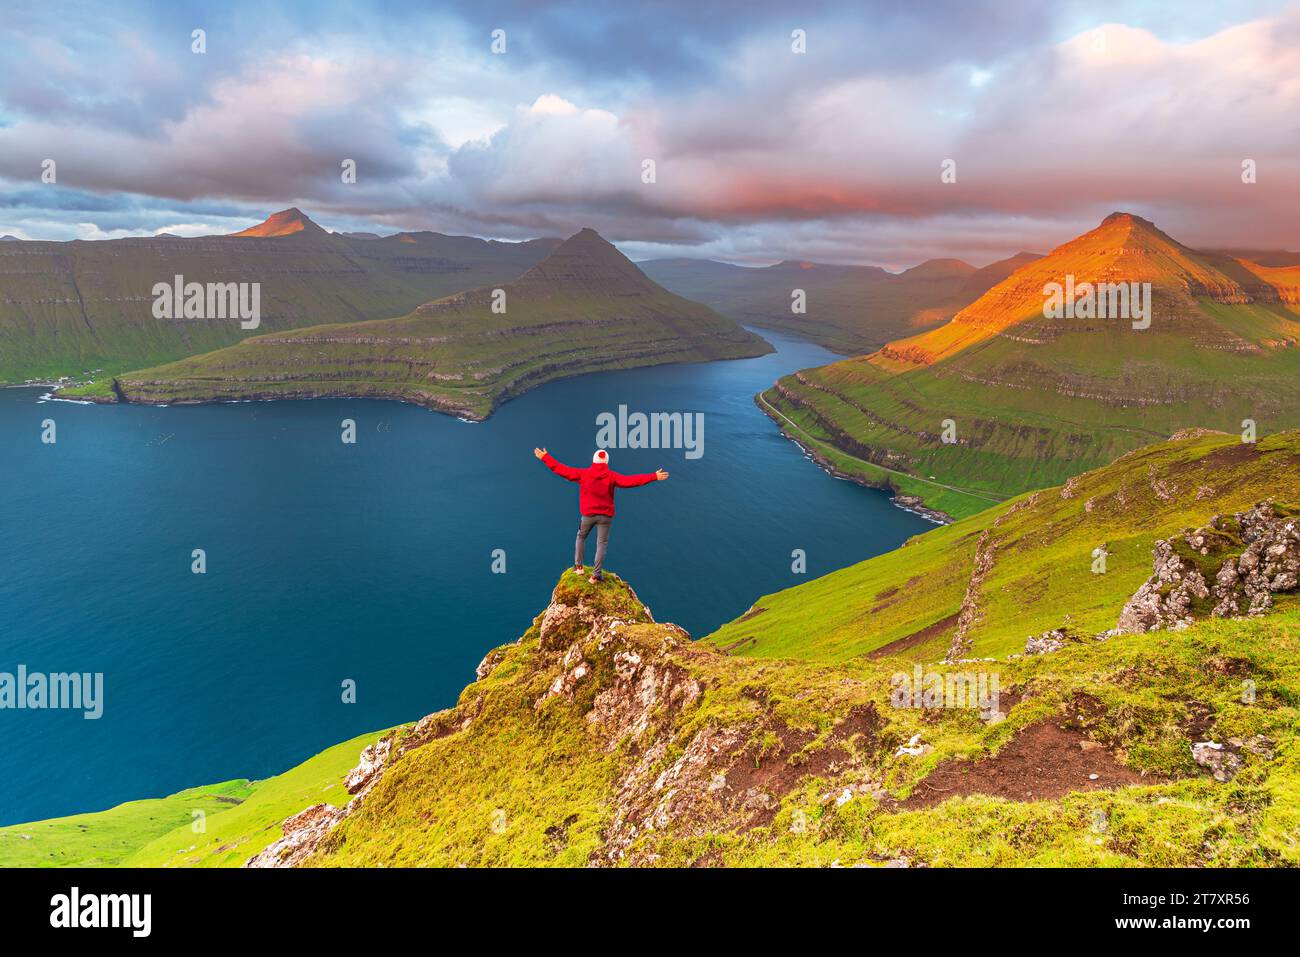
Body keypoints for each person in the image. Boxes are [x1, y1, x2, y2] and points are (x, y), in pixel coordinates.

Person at [534, 447, 668, 583]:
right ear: (606, 462)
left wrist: (546, 458)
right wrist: (654, 476)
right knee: (601, 544)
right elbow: (630, 481)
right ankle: (596, 575)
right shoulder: (612, 476)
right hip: (605, 517)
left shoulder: (583, 474)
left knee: (581, 537)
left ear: (594, 461)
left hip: (588, 515)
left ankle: (579, 567)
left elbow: (562, 470)